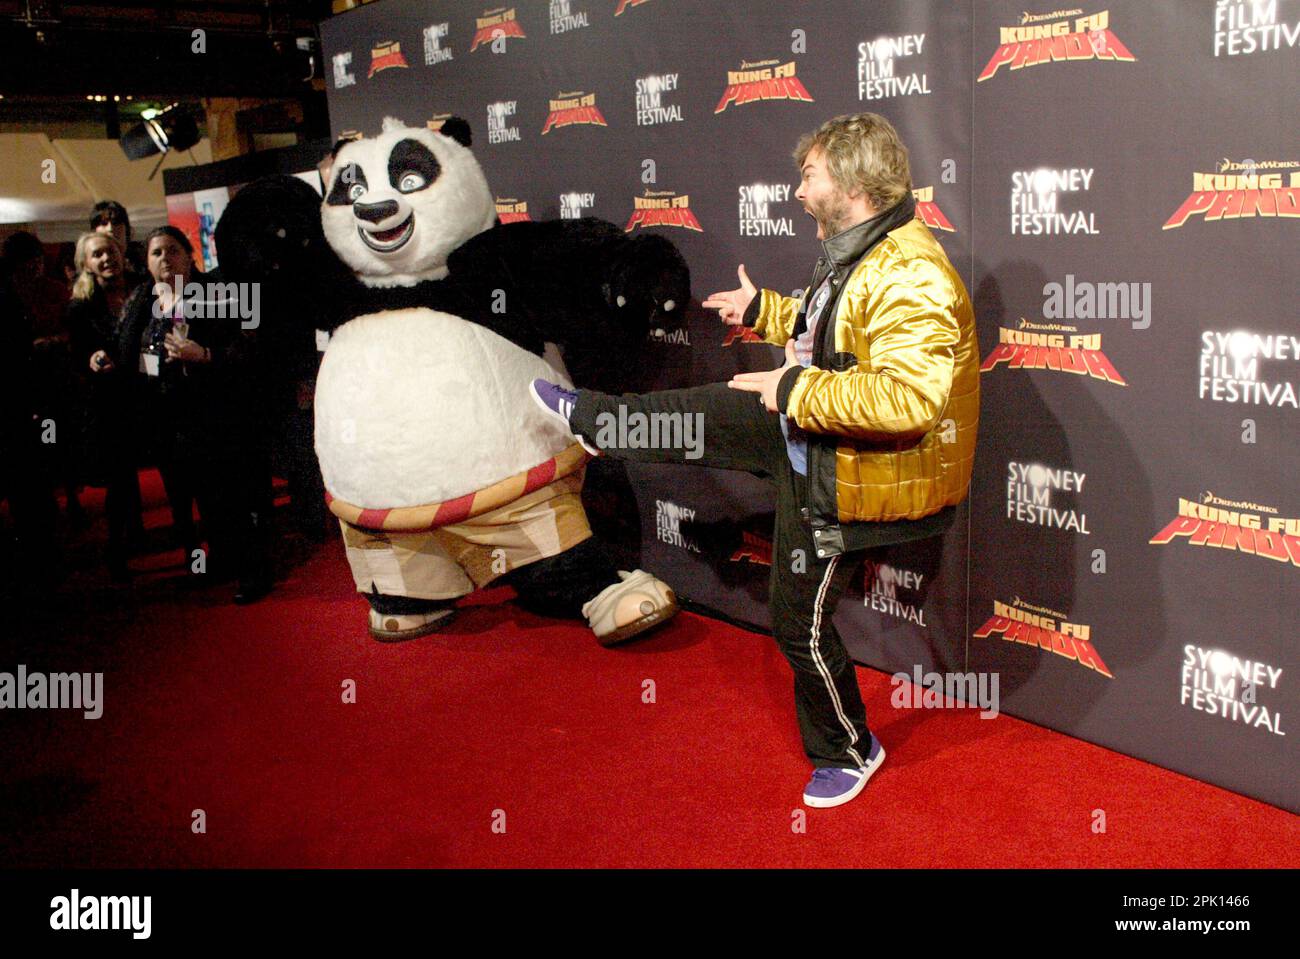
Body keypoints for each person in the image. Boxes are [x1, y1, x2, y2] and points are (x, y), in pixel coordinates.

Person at [531, 113, 980, 808]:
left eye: (810, 174)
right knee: (712, 408)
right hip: (819, 434)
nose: (799, 190)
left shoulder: (911, 270)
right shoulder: (861, 246)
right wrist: (767, 310)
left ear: (854, 182)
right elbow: (836, 326)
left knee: (795, 623)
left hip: (855, 467)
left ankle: (850, 748)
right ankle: (595, 422)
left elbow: (907, 400)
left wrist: (794, 386)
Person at [116, 226, 233, 582]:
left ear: (189, 255)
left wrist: (206, 354)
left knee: (213, 493)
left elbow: (247, 349)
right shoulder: (143, 301)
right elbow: (131, 351)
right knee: (179, 497)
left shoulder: (217, 293)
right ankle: (193, 560)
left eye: (172, 250)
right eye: (156, 253)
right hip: (162, 414)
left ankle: (226, 561)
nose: (164, 258)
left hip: (207, 411)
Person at [67, 231, 143, 580]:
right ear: (86, 263)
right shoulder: (81, 306)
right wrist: (92, 357)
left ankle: (190, 545)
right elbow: (80, 350)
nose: (106, 258)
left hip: (148, 393)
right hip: (110, 402)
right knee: (120, 479)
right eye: (97, 254)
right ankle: (118, 548)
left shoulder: (144, 288)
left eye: (110, 251)